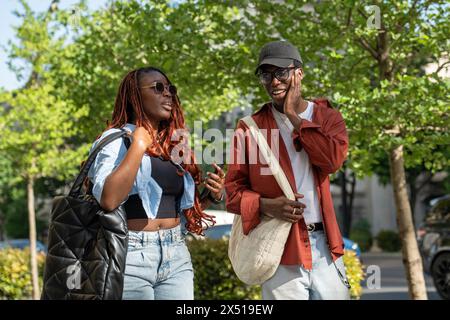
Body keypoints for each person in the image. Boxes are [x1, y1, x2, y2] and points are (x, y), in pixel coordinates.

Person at [225, 41, 350, 300]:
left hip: (327, 247)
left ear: (299, 73)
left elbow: (331, 161)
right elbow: (232, 192)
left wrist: (294, 115)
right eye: (266, 74)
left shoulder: (327, 117)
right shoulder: (249, 128)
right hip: (280, 249)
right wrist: (266, 205)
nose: (274, 81)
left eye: (281, 72)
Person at [87, 66, 225, 300]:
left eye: (170, 88)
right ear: (135, 96)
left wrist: (211, 195)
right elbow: (108, 199)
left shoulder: (174, 146)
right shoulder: (115, 140)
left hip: (176, 253)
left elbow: (175, 207)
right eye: (158, 88)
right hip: (130, 255)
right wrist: (139, 146)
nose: (168, 94)